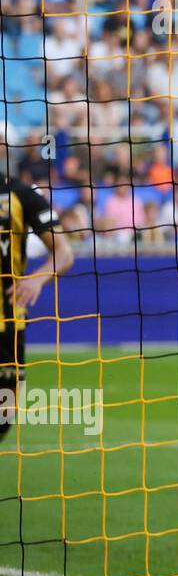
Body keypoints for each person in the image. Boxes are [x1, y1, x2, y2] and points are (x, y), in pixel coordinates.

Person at [0, 172, 75, 442]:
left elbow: (64, 253)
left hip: (8, 326)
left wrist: (37, 279)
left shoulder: (21, 194)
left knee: (3, 418)